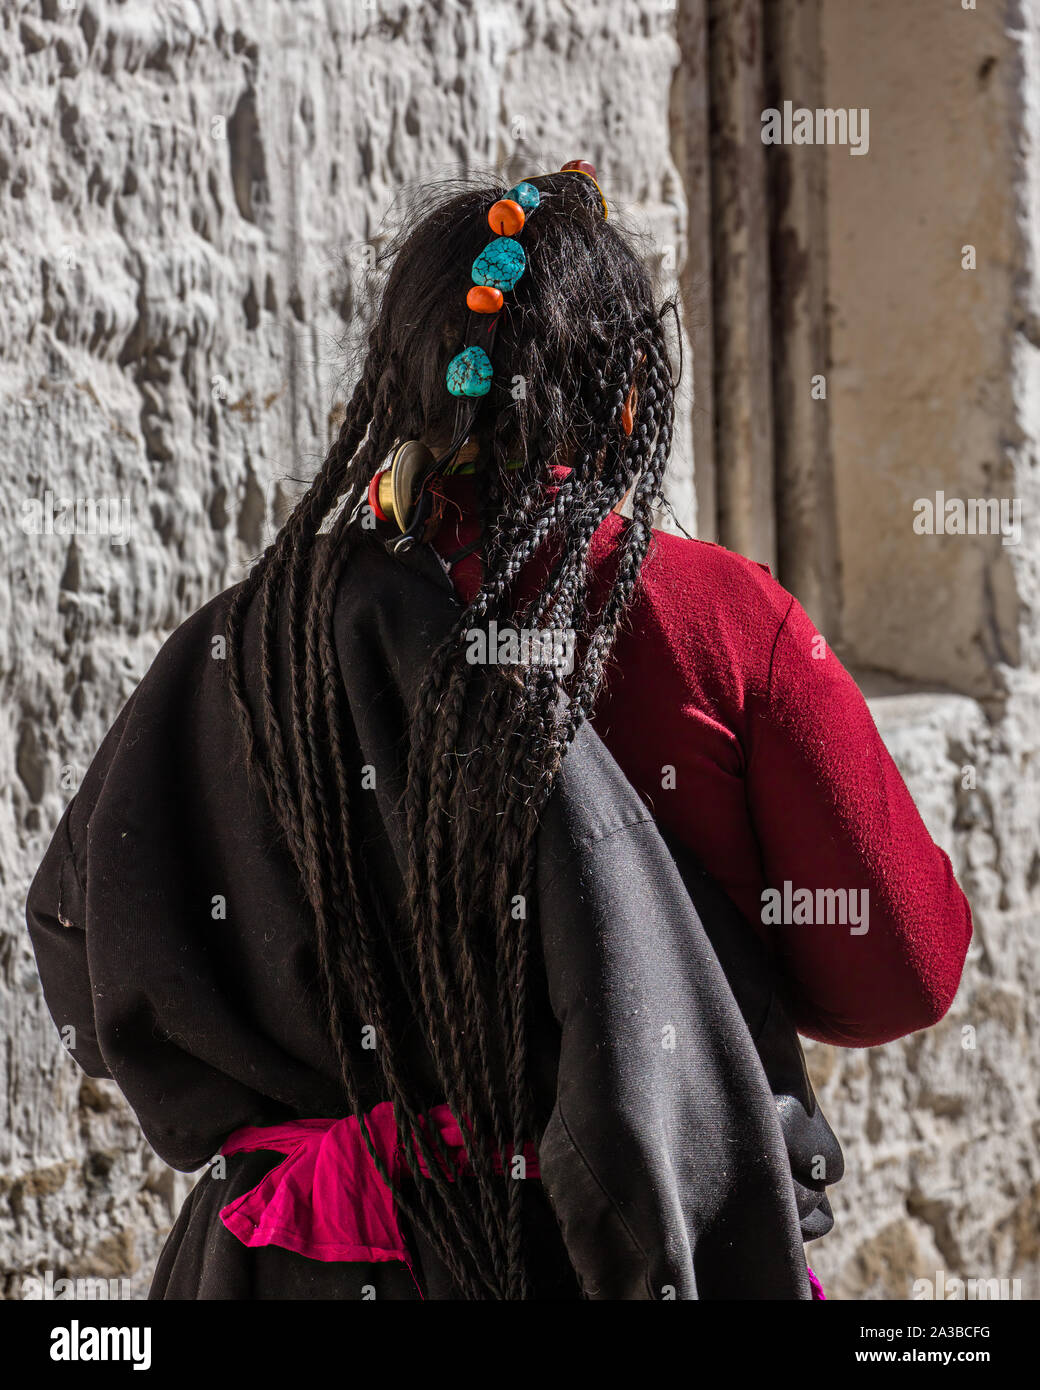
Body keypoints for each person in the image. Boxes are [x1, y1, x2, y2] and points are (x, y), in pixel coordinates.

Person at [25, 163, 972, 1300]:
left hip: (284, 1270)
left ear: (401, 384)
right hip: (604, 1257)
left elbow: (85, 927)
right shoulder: (707, 617)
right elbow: (901, 974)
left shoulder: (250, 646)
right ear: (627, 401)